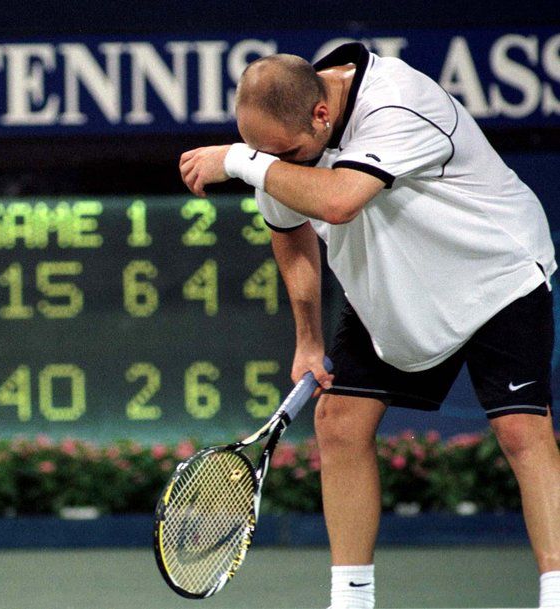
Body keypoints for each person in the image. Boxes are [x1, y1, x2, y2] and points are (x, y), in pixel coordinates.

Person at [179, 42, 560, 609]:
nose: (277, 164)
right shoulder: (281, 143)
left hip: (493, 273)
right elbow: (290, 230)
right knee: (338, 422)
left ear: (322, 115)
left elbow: (337, 203)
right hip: (394, 284)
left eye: (286, 154)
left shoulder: (397, 105)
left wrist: (239, 160)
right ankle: (351, 601)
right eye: (260, 151)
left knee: (521, 431)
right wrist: (307, 340)